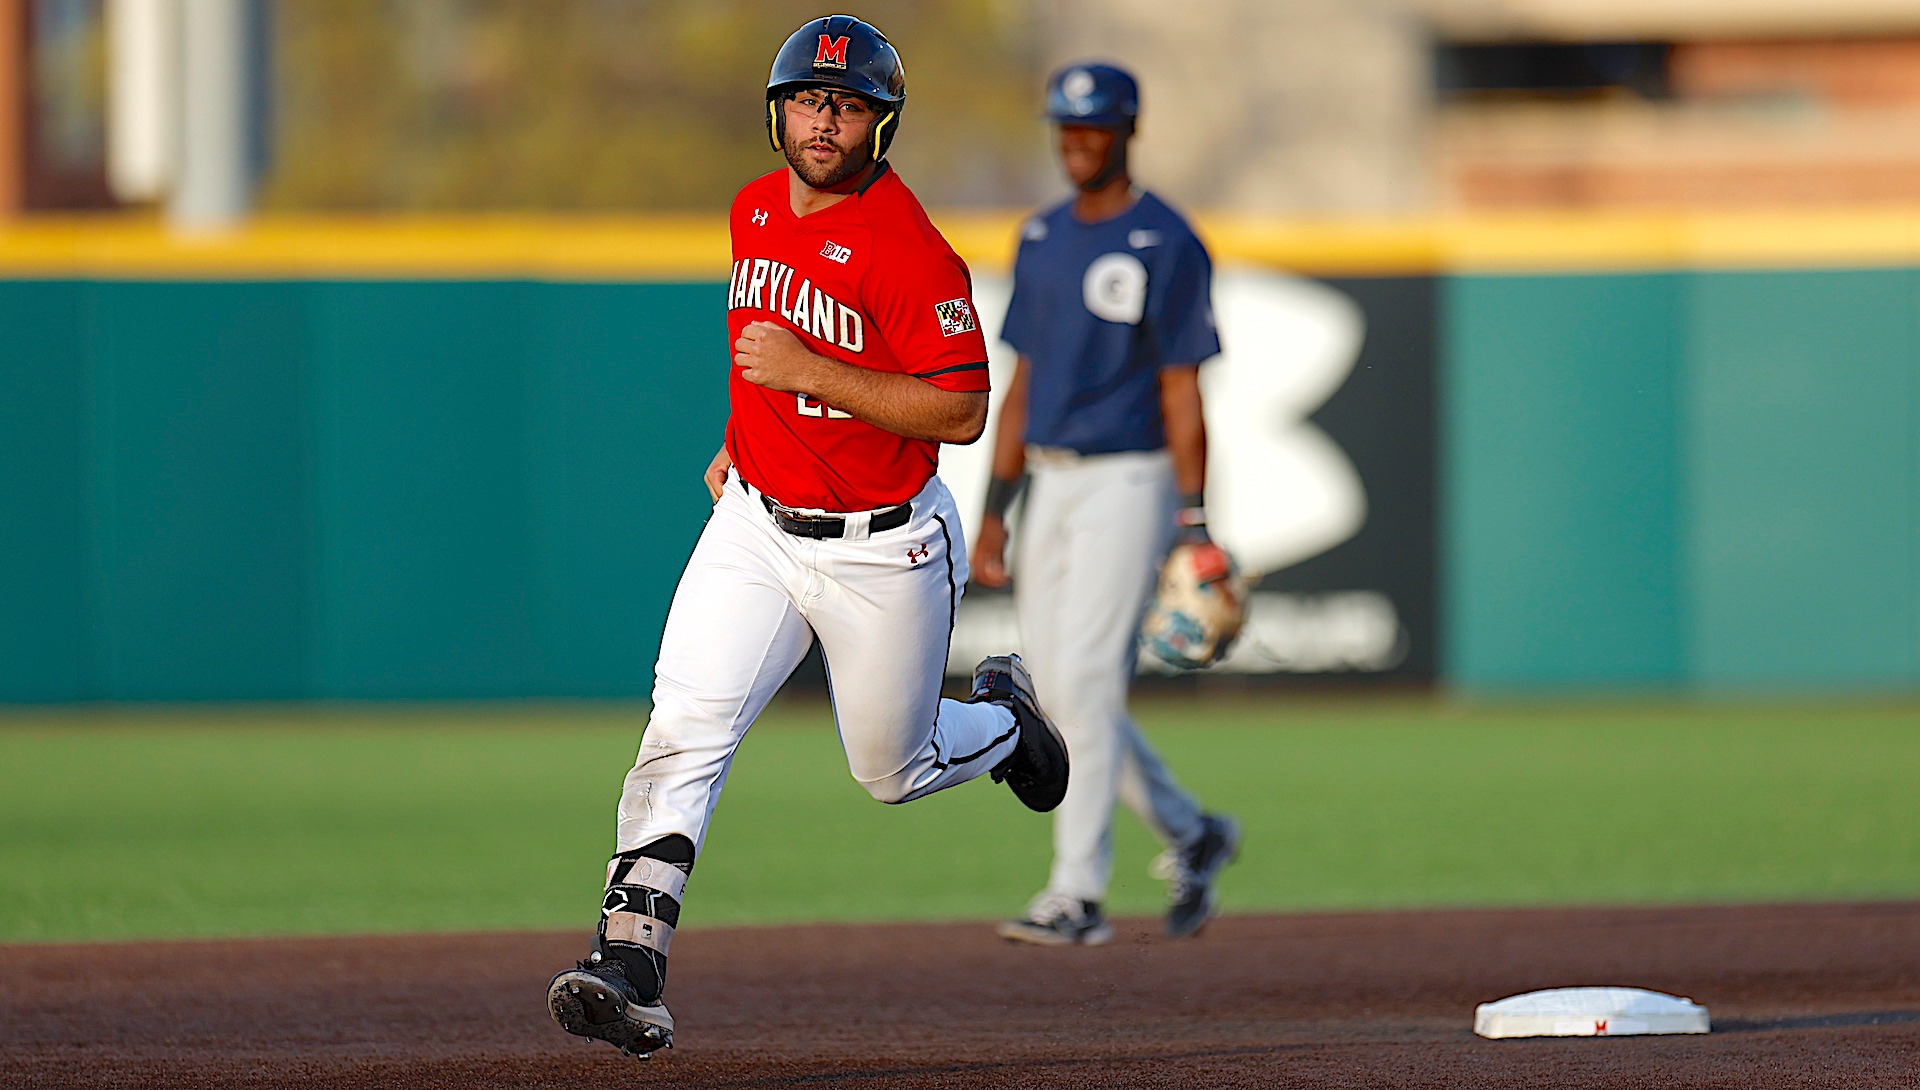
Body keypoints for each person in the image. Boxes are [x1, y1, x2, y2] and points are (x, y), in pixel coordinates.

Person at [546, 15, 1069, 1060]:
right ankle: (629, 959)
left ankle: (1005, 720)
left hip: (885, 546)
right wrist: (741, 439)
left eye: (848, 104)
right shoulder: (752, 206)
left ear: (882, 125)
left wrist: (811, 377)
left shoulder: (908, 247)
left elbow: (960, 409)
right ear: (777, 108)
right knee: (685, 723)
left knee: (893, 769)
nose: (825, 119)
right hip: (756, 526)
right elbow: (762, 358)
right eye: (809, 98)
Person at [972, 62, 1239, 947]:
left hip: (1132, 474)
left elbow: (1181, 387)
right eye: (1065, 126)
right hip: (1048, 476)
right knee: (1062, 696)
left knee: (1084, 684)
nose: (1076, 141)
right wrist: (996, 507)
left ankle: (1077, 893)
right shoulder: (1042, 235)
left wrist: (1194, 521)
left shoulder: (1168, 239)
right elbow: (1022, 381)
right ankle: (1193, 831)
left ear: (1128, 129)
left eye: (1092, 126)